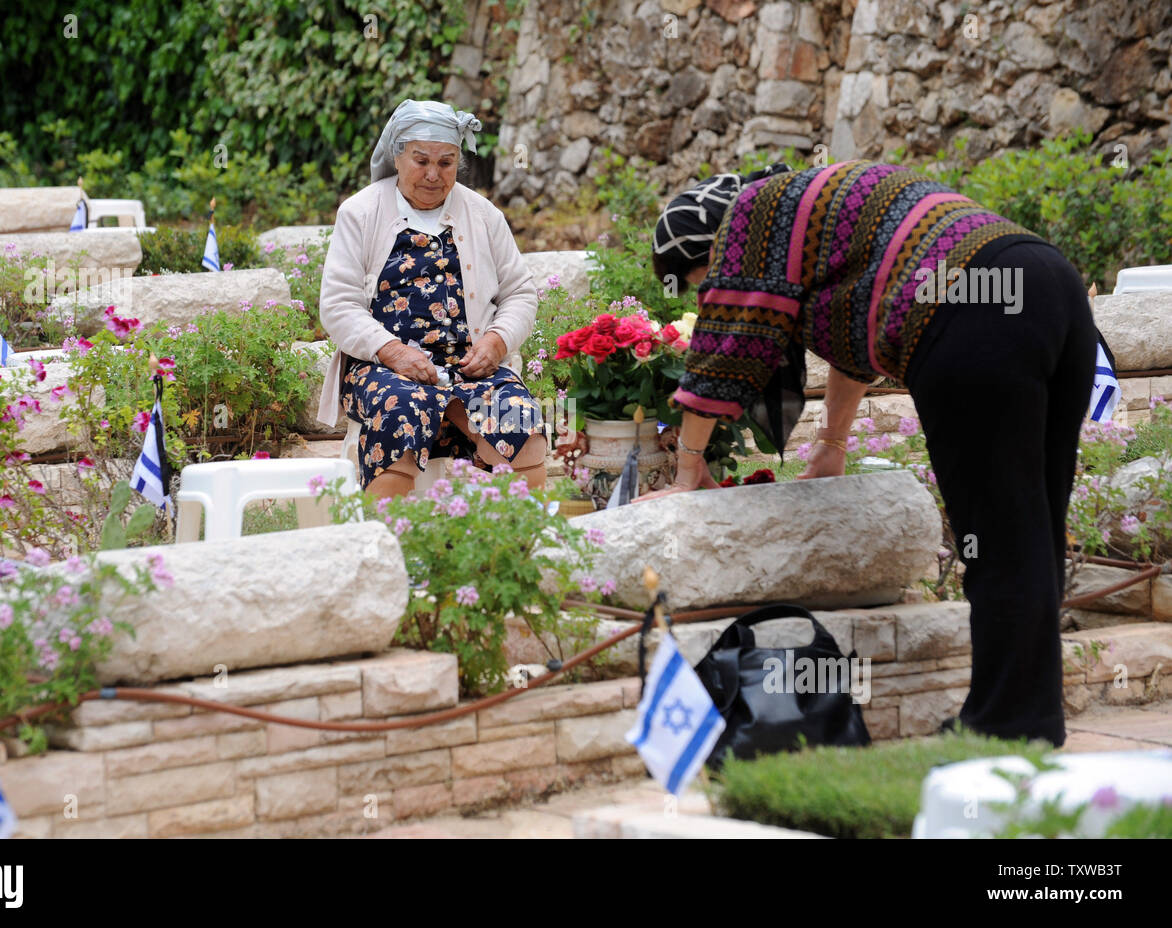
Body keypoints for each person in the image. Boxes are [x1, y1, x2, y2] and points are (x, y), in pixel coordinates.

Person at [642, 160, 1097, 747]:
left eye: (701, 279)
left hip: (972, 307)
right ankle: (1026, 718)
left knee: (997, 534)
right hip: (1048, 282)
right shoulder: (808, 209)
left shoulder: (748, 223)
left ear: (706, 252)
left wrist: (688, 468)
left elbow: (724, 350)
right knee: (1033, 526)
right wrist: (832, 444)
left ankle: (1005, 727)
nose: (709, 294)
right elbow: (855, 345)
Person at [317, 99, 546, 497]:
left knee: (520, 423)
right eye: (421, 160)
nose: (433, 174)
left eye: (446, 162)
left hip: (471, 365)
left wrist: (497, 341)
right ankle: (391, 546)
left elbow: (520, 292)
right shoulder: (360, 212)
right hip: (384, 367)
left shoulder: (483, 214)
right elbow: (338, 304)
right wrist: (392, 351)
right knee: (402, 412)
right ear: (397, 155)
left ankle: (513, 548)